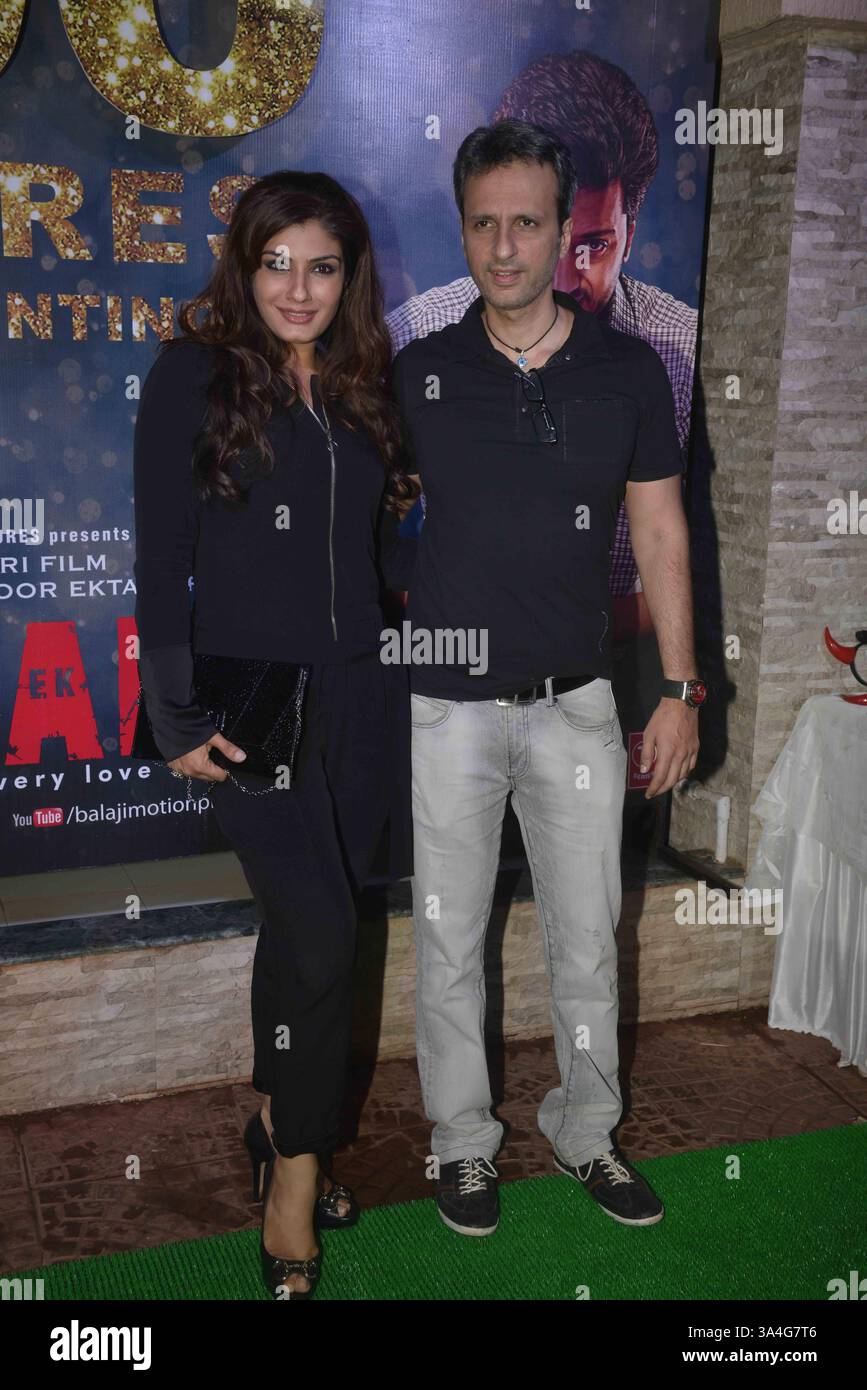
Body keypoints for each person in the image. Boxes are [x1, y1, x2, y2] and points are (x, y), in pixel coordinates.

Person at [390, 119, 707, 1237]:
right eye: (486, 222)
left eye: (529, 222)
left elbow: (662, 532)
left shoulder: (632, 368)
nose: (507, 245)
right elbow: (362, 510)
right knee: (448, 937)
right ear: (464, 227)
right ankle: (464, 1143)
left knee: (587, 939)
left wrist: (681, 685)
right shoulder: (420, 371)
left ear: (567, 226)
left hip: (579, 706)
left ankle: (586, 1131)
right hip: (450, 708)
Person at [133, 171, 417, 1298]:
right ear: (243, 267)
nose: (298, 288)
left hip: (360, 695)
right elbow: (160, 558)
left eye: (322, 265)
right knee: (323, 937)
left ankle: (270, 1110)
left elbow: (381, 548)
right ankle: (294, 1176)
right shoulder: (192, 372)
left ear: (349, 276)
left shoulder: (362, 385)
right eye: (276, 262)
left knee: (308, 930)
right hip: (248, 702)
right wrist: (174, 714)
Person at [386, 48, 698, 641]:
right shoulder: (419, 339)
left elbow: (671, 534)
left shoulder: (673, 346)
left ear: (633, 230)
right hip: (462, 665)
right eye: (522, 226)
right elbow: (378, 514)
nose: (563, 273)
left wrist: (675, 680)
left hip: (619, 654)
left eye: (595, 246)